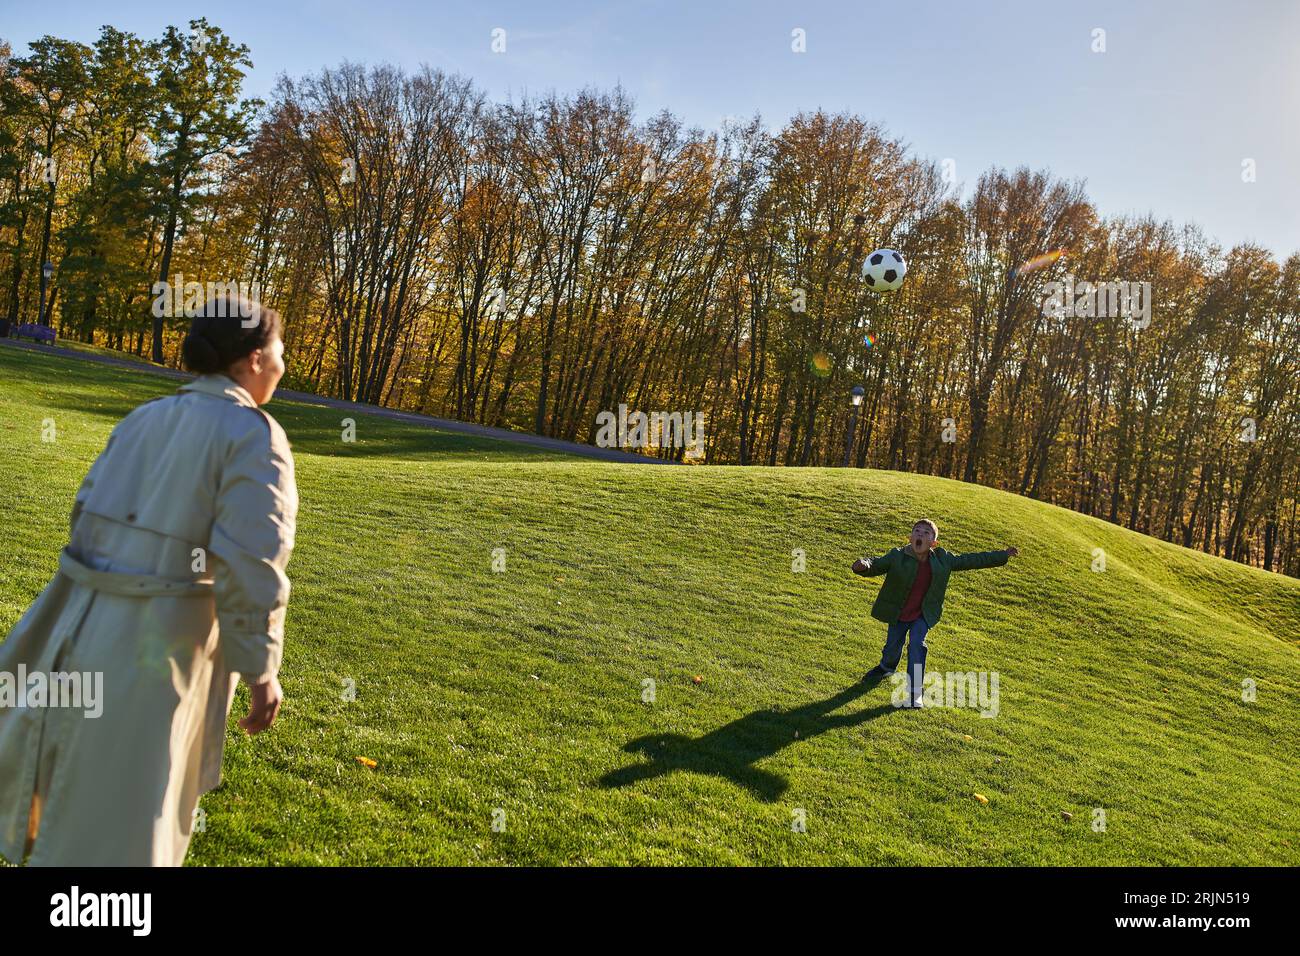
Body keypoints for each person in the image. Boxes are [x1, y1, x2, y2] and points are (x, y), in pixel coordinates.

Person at [0, 294, 297, 865]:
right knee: (132, 822)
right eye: (279, 350)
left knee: (72, 796)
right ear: (256, 358)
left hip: (78, 632)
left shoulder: (145, 417)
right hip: (158, 655)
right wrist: (261, 669)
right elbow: (251, 561)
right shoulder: (253, 435)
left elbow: (84, 516)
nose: (284, 365)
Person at [852, 519, 1017, 708]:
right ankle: (886, 668)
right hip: (898, 611)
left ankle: (915, 693)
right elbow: (876, 563)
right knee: (892, 645)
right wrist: (863, 565)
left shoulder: (943, 559)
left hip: (923, 614)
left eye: (926, 533)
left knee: (916, 644)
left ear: (933, 543)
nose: (920, 534)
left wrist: (1002, 555)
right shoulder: (897, 555)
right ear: (910, 537)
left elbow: (972, 560)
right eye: (917, 531)